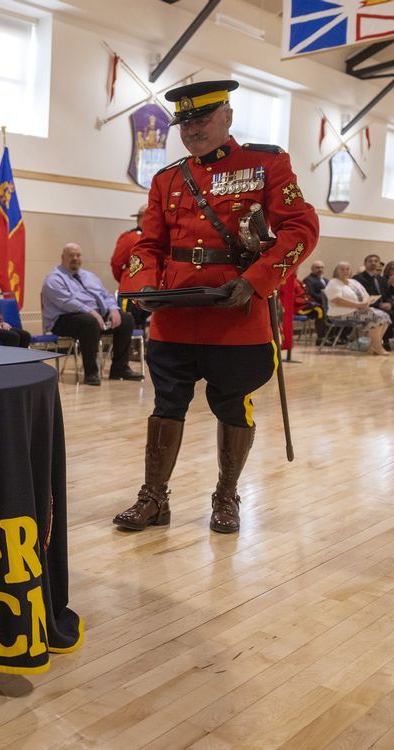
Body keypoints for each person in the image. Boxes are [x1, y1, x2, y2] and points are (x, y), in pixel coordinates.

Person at [114, 80, 319, 534]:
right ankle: (154, 498)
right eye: (184, 124)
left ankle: (226, 497)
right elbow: (148, 245)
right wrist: (142, 286)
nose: (192, 131)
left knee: (231, 405)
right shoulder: (166, 179)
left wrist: (256, 280)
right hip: (175, 316)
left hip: (236, 316)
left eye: (202, 120)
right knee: (166, 404)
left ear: (227, 116)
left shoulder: (266, 164)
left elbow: (300, 229)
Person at [42, 243, 143, 385]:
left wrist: (114, 309)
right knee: (88, 321)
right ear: (62, 257)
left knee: (126, 319)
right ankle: (91, 373)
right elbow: (68, 303)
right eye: (71, 255)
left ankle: (119, 368)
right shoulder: (53, 279)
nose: (75, 258)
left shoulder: (89, 276)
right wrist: (92, 313)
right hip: (63, 320)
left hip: (94, 317)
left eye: (78, 255)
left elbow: (106, 294)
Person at [325, 261, 390, 355]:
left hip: (359, 310)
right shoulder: (333, 283)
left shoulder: (354, 282)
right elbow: (337, 300)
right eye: (342, 269)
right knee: (374, 318)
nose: (345, 271)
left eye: (347, 269)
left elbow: (365, 294)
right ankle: (378, 347)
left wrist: (366, 303)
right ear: (336, 271)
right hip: (340, 314)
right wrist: (358, 305)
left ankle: (372, 346)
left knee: (384, 316)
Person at [111, 205, 151, 329]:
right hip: (134, 290)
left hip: (144, 289)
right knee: (129, 327)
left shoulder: (130, 237)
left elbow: (116, 264)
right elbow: (116, 263)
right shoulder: (129, 237)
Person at [352, 253, 392, 350]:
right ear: (365, 264)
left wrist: (390, 304)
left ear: (379, 264)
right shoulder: (358, 278)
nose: (373, 263)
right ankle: (382, 342)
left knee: (390, 311)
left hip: (383, 306)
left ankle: (384, 341)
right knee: (389, 314)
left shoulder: (382, 279)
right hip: (367, 307)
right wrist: (379, 305)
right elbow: (358, 297)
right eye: (370, 261)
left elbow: (387, 295)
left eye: (376, 261)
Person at [301, 259, 329, 344]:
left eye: (322, 267)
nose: (320, 269)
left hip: (327, 304)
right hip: (315, 305)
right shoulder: (308, 280)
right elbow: (311, 294)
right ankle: (321, 338)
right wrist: (325, 300)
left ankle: (334, 336)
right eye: (317, 267)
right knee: (321, 310)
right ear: (312, 269)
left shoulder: (326, 280)